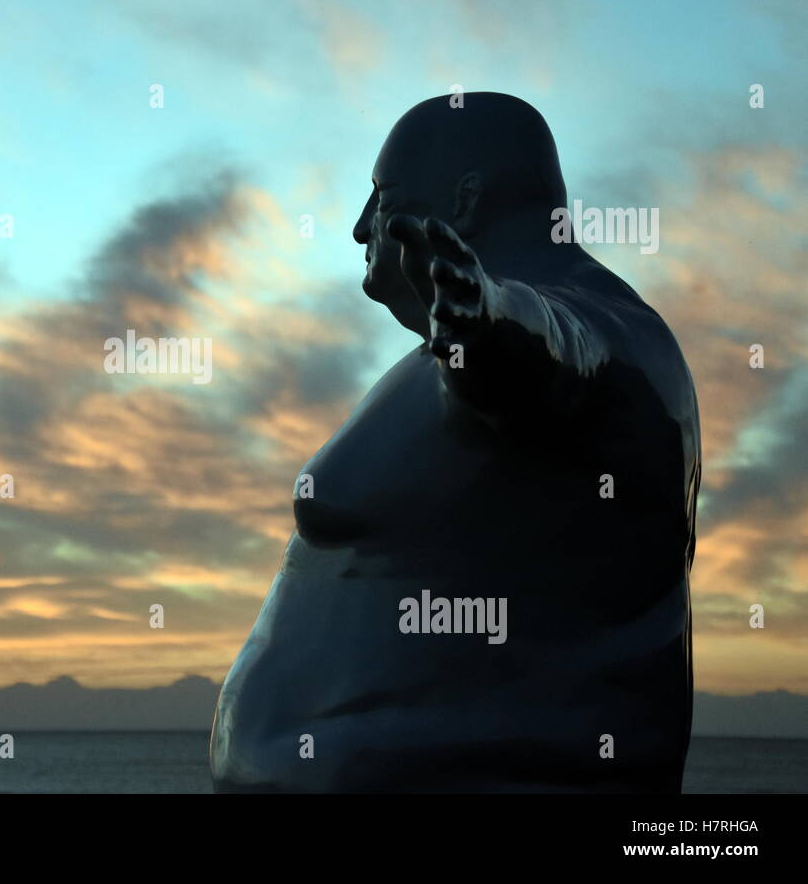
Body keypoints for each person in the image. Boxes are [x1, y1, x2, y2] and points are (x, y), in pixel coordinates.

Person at [210, 93, 701, 792]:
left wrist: (492, 319)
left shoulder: (611, 332)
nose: (358, 228)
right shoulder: (440, 364)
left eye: (381, 197)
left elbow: (565, 355)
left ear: (465, 200)